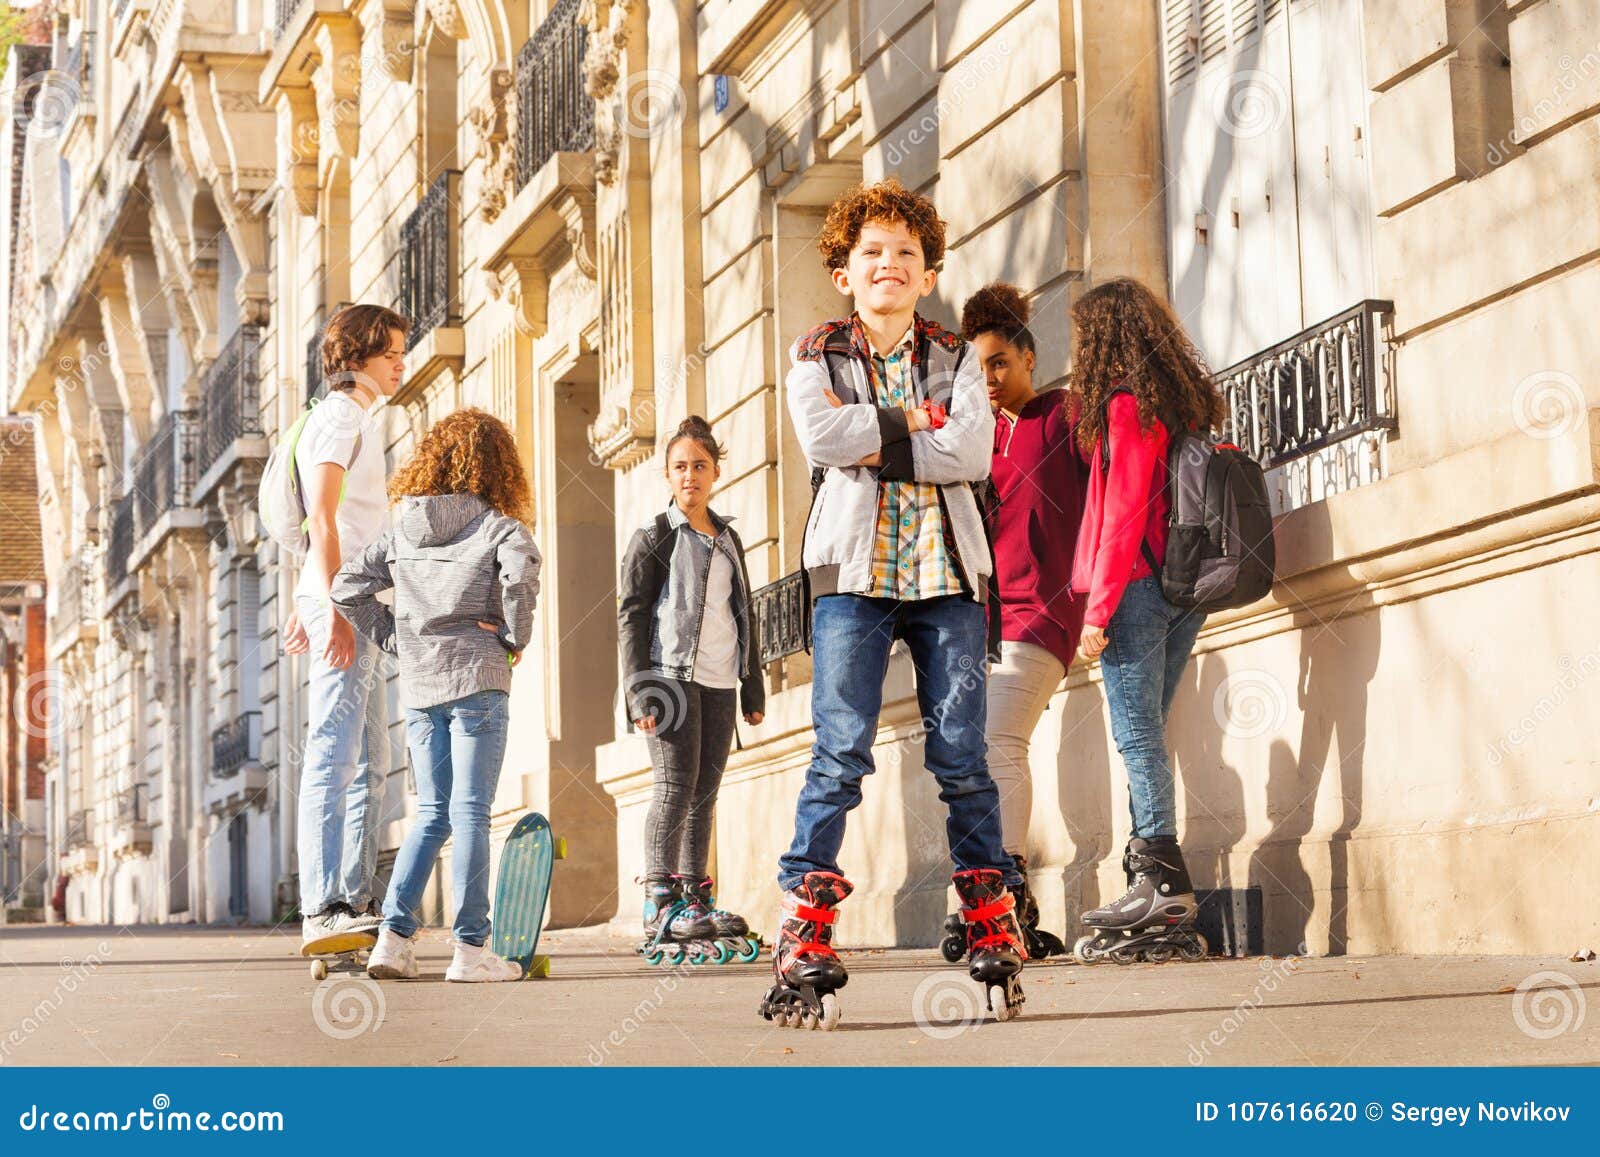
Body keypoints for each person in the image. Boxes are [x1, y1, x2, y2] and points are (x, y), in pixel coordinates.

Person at [765, 178, 1026, 1031]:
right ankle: (804, 924)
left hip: (946, 578)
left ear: (926, 272)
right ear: (845, 271)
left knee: (963, 756)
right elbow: (821, 437)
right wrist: (913, 420)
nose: (889, 265)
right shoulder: (816, 354)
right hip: (854, 580)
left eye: (906, 254)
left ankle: (992, 912)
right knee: (840, 750)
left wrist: (879, 433)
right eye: (872, 252)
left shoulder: (955, 354)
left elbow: (974, 452)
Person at [332, 409, 542, 982]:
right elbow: (521, 579)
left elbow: (346, 588)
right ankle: (470, 951)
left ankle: (393, 941)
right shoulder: (500, 528)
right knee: (471, 814)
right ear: (498, 467)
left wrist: (398, 638)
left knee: (433, 814)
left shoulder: (402, 530)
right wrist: (512, 638)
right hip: (477, 680)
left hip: (422, 689)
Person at [1071, 277, 1222, 964]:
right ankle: (1151, 882)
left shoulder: (1128, 405)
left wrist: (1095, 612)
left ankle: (1159, 880)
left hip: (1135, 589)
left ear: (1104, 337)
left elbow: (1125, 513)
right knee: (1147, 738)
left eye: (1084, 336)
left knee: (1136, 740)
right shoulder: (1176, 404)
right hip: (1179, 591)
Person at [938, 281, 1087, 961]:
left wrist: (1105, 596)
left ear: (1029, 358)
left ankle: (1006, 891)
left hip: (1046, 615)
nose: (990, 378)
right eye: (977, 368)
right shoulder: (980, 442)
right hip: (985, 625)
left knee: (998, 743)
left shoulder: (1064, 416)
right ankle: (982, 901)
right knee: (970, 755)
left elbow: (1117, 493)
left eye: (999, 362)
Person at [282, 304, 408, 957]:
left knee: (373, 762)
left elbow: (323, 526)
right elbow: (323, 518)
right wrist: (328, 606)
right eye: (391, 351)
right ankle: (321, 905)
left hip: (356, 601)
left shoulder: (355, 419)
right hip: (346, 604)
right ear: (357, 354)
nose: (401, 362)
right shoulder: (337, 418)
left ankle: (353, 902)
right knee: (332, 754)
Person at [617, 415, 766, 965]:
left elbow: (742, 615)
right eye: (680, 467)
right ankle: (659, 899)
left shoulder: (729, 539)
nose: (690, 476)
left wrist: (752, 689)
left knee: (705, 793)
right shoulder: (653, 538)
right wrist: (640, 691)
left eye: (699, 466)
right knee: (673, 787)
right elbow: (631, 617)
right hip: (669, 678)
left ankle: (693, 896)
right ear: (667, 475)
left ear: (716, 473)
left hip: (719, 681)